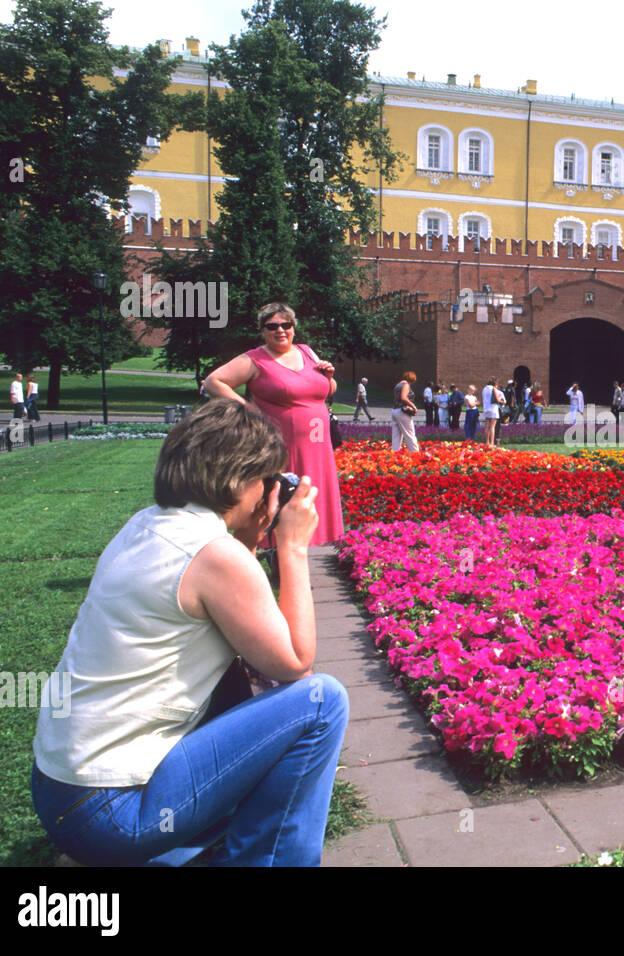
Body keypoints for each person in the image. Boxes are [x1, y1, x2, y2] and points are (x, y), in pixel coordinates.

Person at [29, 400, 349, 866]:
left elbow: (230, 609)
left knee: (239, 688)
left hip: (62, 793)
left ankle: (160, 854)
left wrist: (249, 537)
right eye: (268, 479)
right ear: (241, 481)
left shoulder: (145, 524)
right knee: (322, 701)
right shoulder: (216, 556)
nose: (272, 492)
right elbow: (295, 663)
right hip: (111, 813)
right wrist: (293, 547)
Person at [202, 302, 344, 547]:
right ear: (263, 330)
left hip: (317, 446)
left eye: (286, 325)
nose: (280, 330)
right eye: (272, 326)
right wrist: (247, 407)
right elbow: (214, 381)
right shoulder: (255, 359)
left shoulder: (307, 352)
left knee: (309, 499)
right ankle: (276, 556)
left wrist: (329, 378)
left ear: (293, 328)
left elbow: (326, 392)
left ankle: (298, 551)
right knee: (278, 498)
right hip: (282, 446)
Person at [391, 372, 420, 452]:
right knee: (410, 433)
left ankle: (395, 452)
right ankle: (415, 452)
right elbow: (403, 398)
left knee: (396, 434)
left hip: (394, 410)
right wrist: (414, 406)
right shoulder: (406, 385)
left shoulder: (398, 385)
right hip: (402, 411)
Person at [481, 379, 503, 446]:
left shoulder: (484, 389)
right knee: (492, 426)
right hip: (493, 409)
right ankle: (492, 443)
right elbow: (497, 399)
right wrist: (500, 398)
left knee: (487, 426)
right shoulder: (494, 389)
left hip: (486, 408)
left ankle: (487, 442)